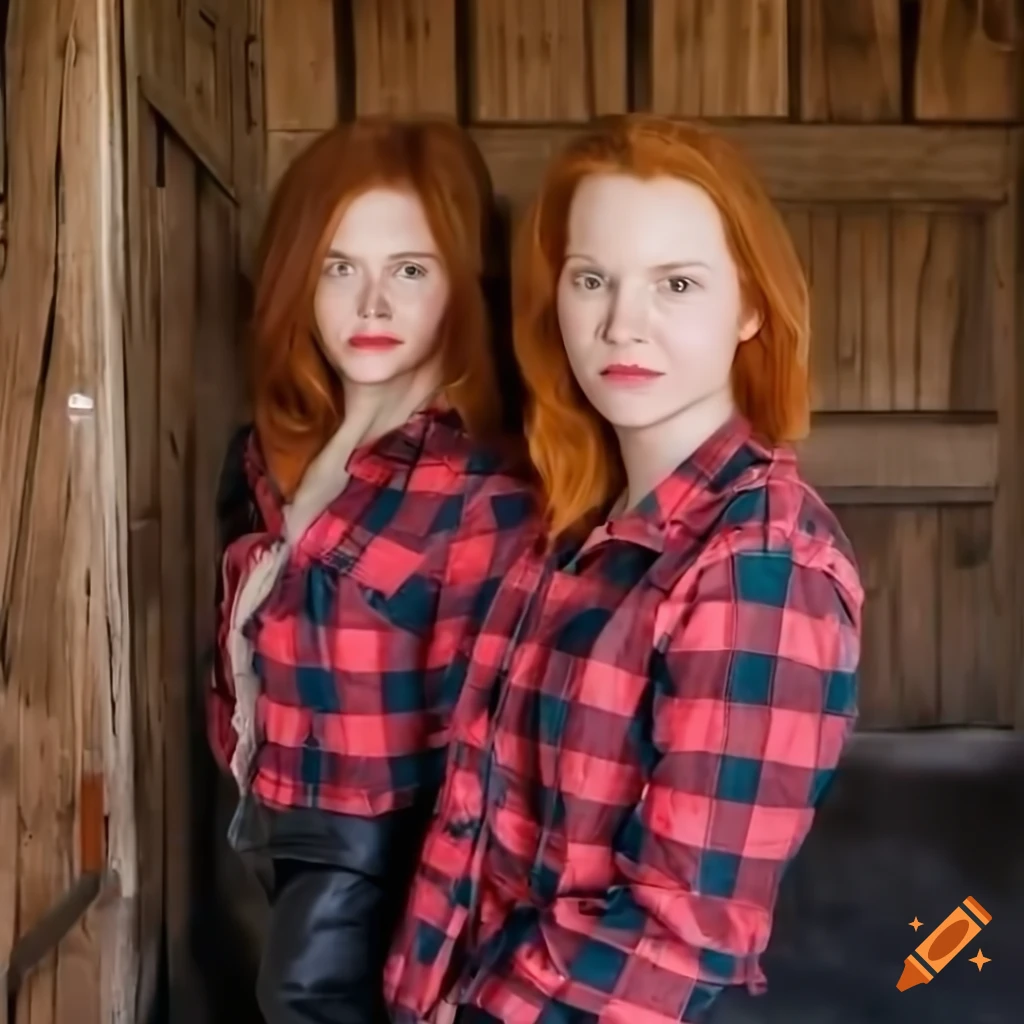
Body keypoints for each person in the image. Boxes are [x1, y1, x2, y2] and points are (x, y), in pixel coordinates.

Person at [384, 114, 865, 1024]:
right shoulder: (568, 522)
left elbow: (681, 933)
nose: (621, 324)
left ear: (751, 305)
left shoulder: (759, 565)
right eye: (591, 279)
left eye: (676, 283)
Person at [206, 117, 538, 1024]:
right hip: (270, 829)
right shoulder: (274, 459)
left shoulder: (479, 489)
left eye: (410, 270)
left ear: (464, 283)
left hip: (383, 862)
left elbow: (486, 759)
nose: (372, 305)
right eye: (339, 266)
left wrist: (451, 947)